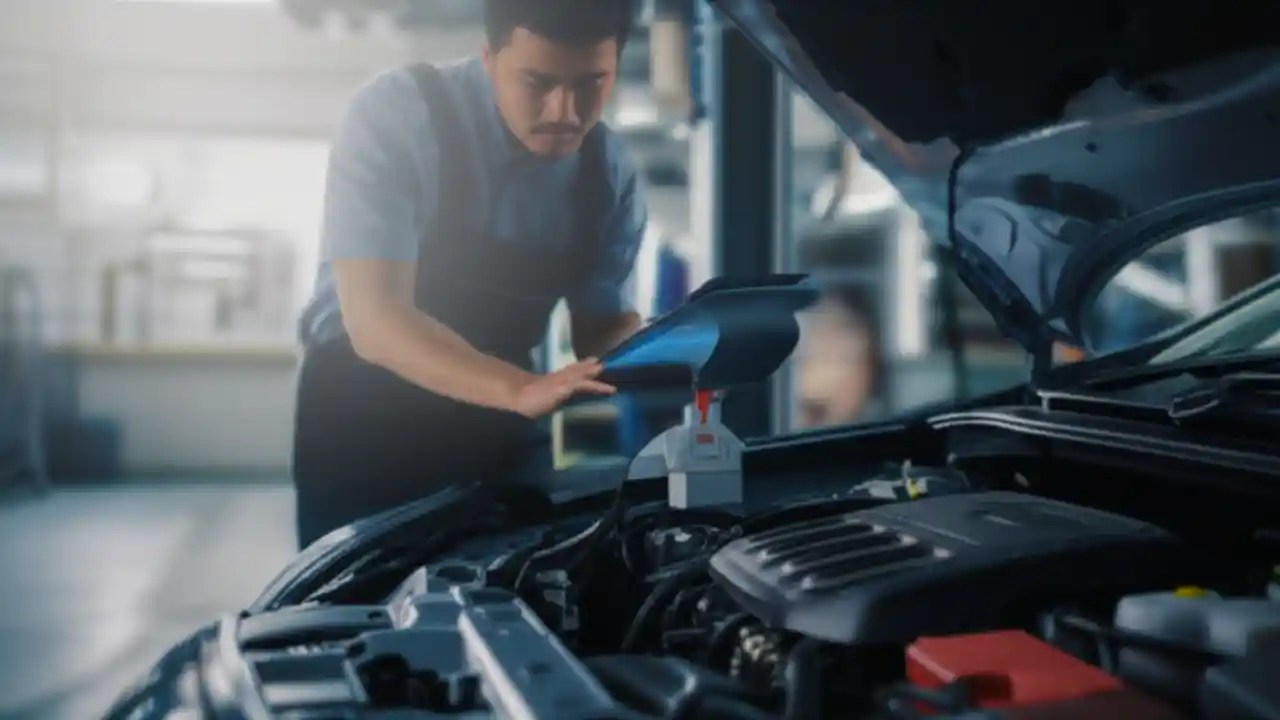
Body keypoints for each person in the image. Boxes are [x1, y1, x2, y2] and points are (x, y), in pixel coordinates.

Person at [292, 0, 646, 547]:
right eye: (537, 81)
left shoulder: (609, 172)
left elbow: (600, 331)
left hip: (496, 419)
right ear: (489, 58)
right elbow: (376, 322)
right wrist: (522, 388)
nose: (564, 110)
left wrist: (665, 364)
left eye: (589, 84)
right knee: (357, 605)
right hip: (361, 415)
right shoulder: (396, 116)